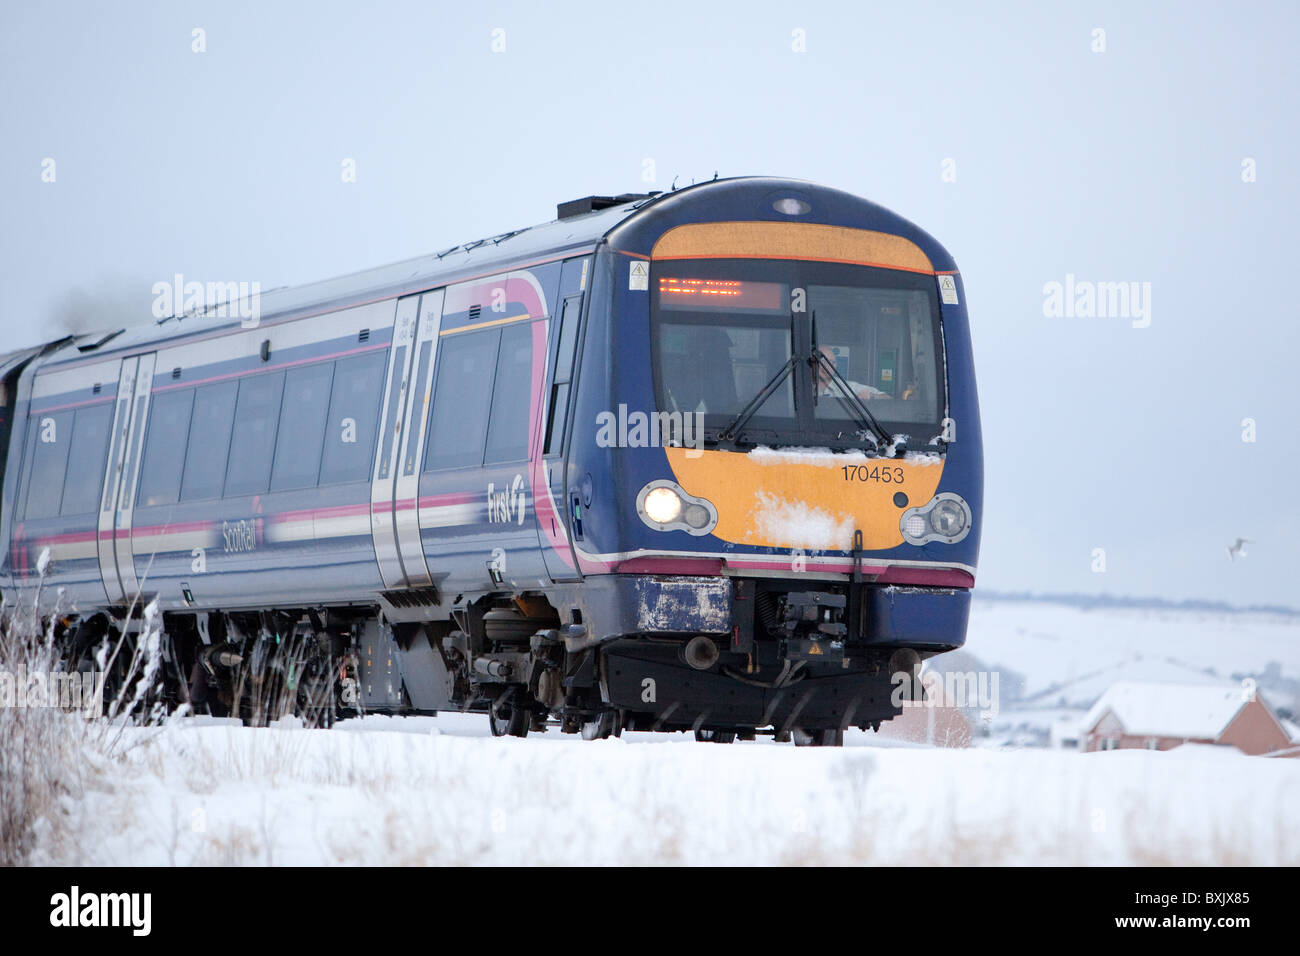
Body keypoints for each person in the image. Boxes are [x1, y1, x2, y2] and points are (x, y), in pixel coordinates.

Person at [815, 344, 887, 400]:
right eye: (822, 362)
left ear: (835, 365)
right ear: (813, 364)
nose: (826, 367)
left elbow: (887, 397)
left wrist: (872, 396)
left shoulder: (848, 387)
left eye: (831, 362)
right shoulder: (807, 389)